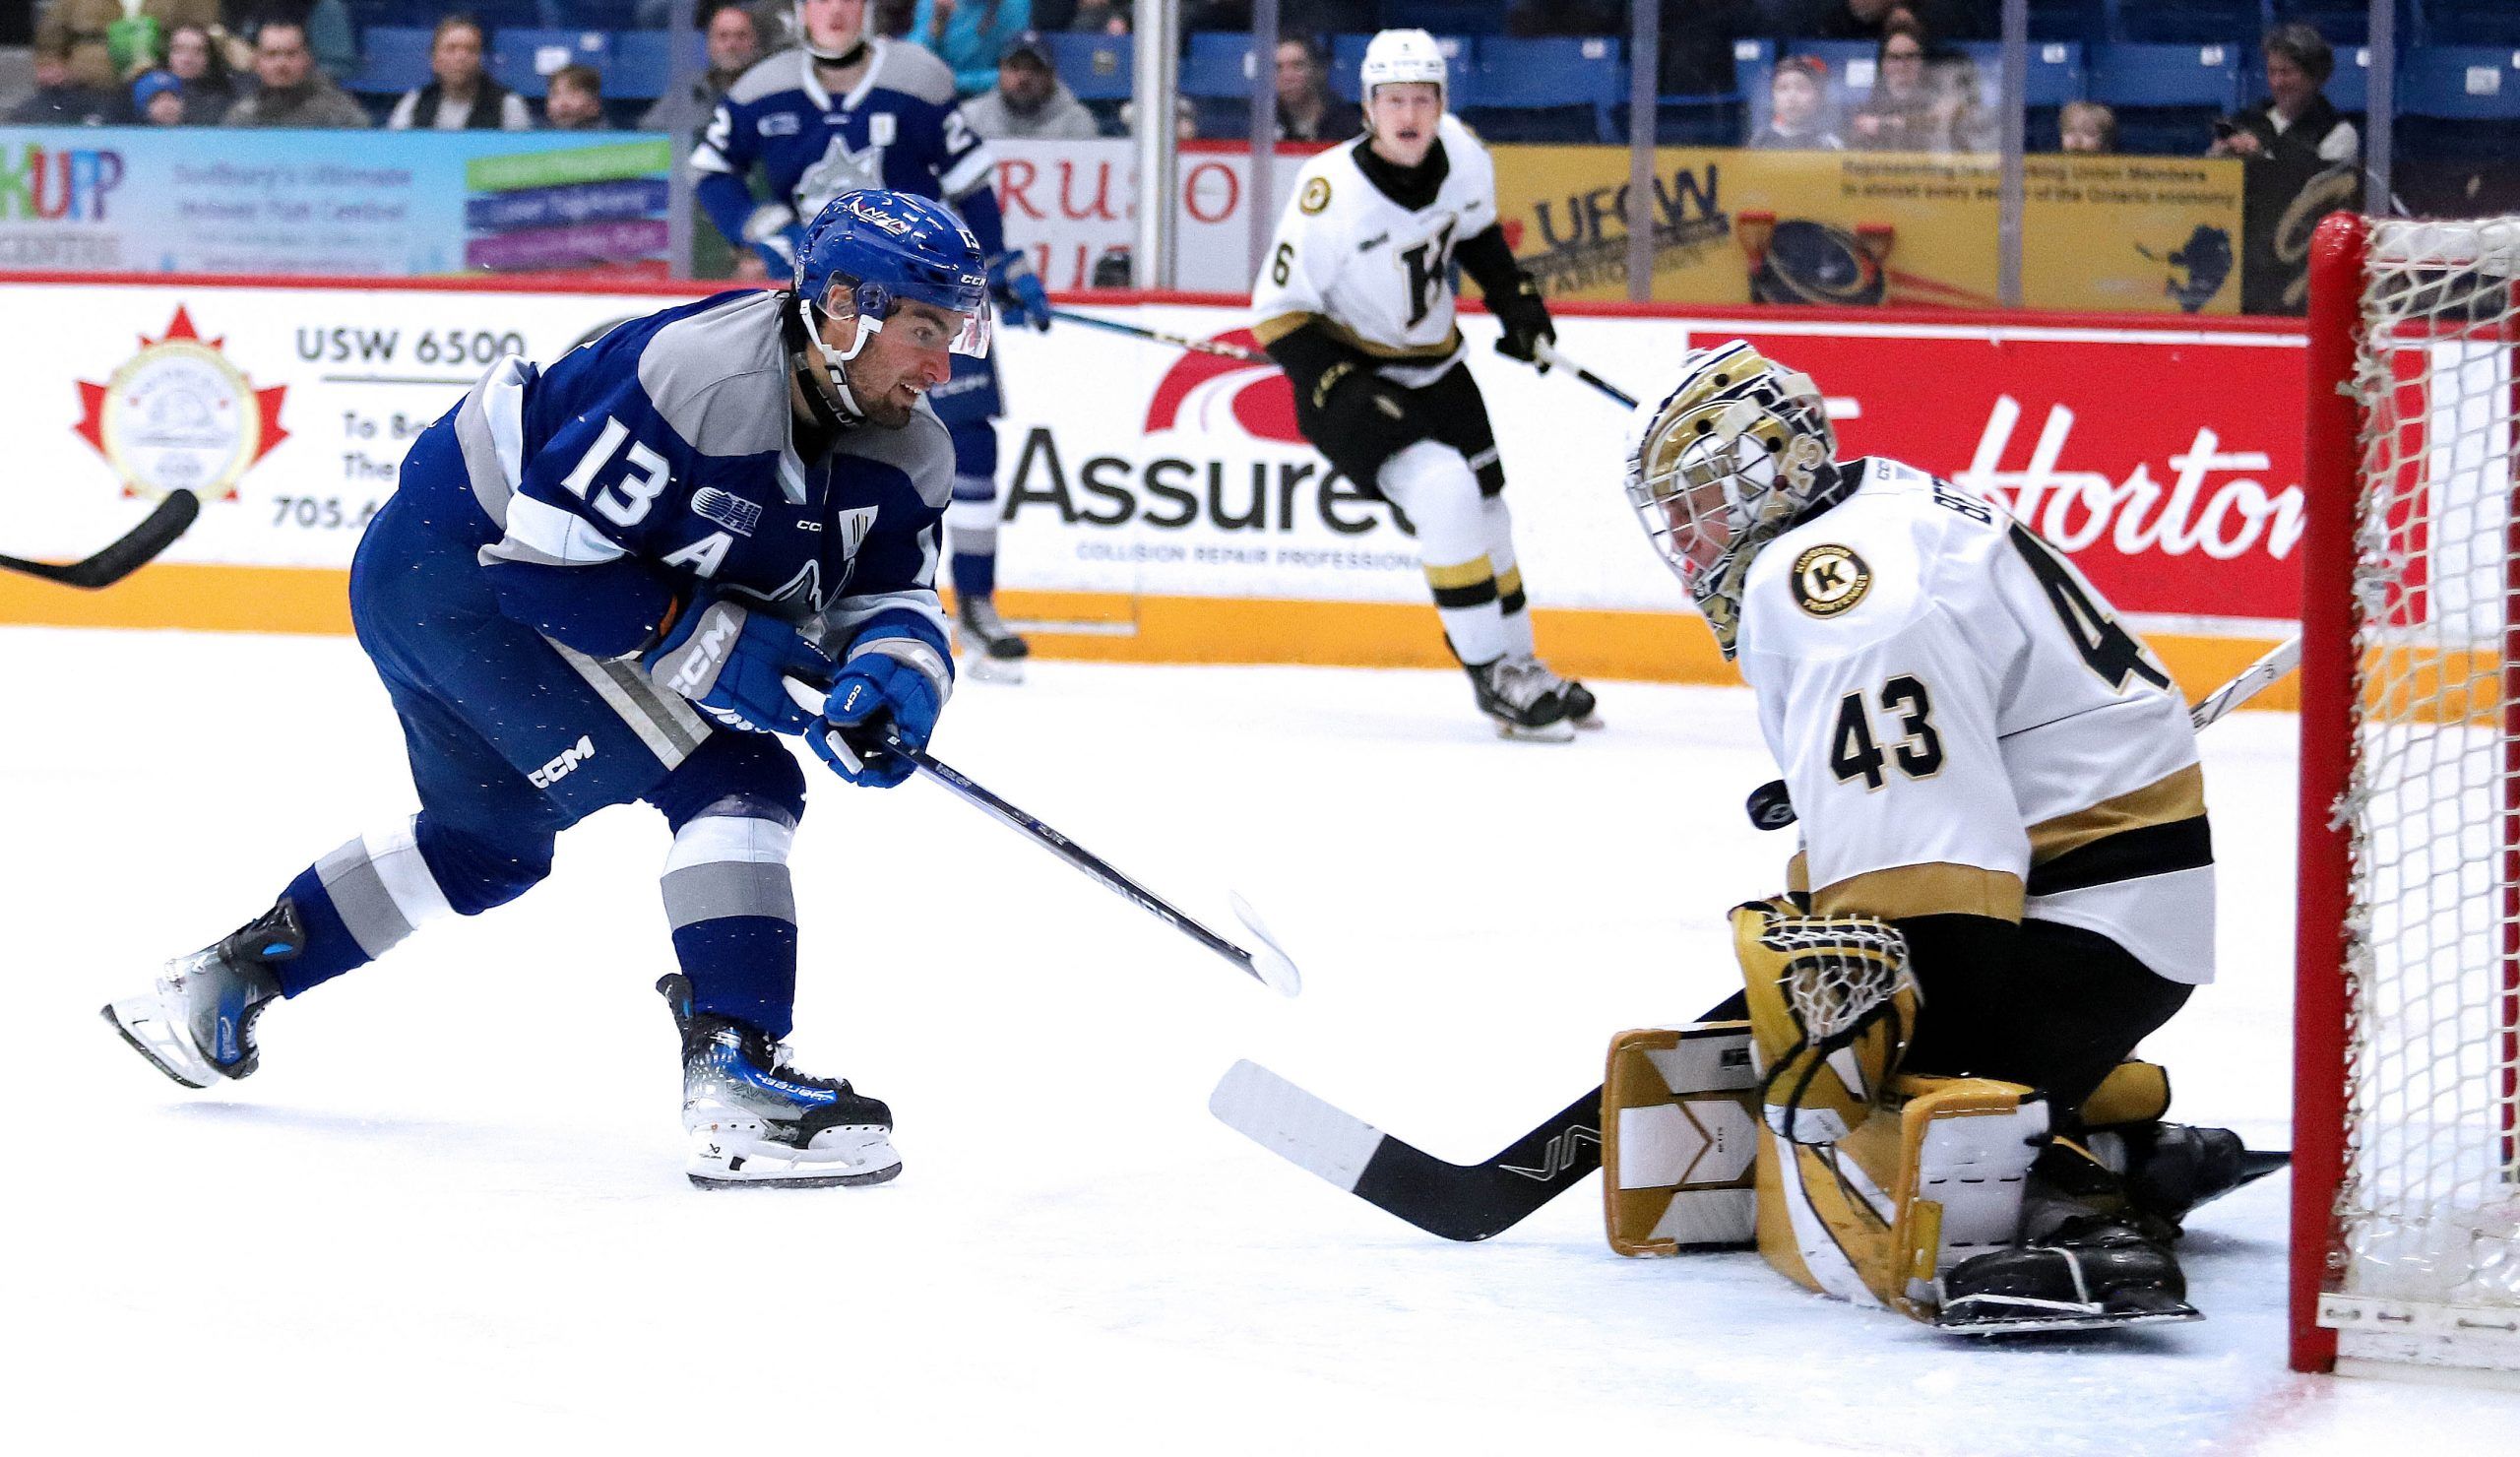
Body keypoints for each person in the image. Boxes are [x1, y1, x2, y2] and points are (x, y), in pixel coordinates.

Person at [103, 189, 990, 1191]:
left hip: (454, 584)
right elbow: (542, 570)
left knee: (489, 849)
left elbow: (892, 596)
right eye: (924, 329)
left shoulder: (909, 446)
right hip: (462, 575)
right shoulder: (697, 377)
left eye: (954, 332)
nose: (941, 365)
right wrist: (706, 643)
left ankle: (213, 986)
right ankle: (736, 1080)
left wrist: (898, 673)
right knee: (736, 780)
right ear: (842, 306)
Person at [1618, 341, 2239, 1331]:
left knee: (1853, 1101)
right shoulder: (1885, 503)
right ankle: (2091, 1112)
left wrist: (1919, 1070)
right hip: (2121, 919)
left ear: (1768, 467)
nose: (1689, 545)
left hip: (2073, 933)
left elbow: (1940, 892)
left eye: (1697, 503)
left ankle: (2064, 1188)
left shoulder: (1828, 585)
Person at [695, 0, 1053, 682]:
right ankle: (812, 601)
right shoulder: (761, 88)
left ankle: (976, 605)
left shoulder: (918, 77)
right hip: (826, 307)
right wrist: (762, 226)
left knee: (970, 440)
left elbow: (970, 184)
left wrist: (1003, 262)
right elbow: (711, 169)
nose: (834, 8)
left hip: (925, 301)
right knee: (810, 446)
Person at [1251, 29, 1596, 741]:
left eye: (1422, 100)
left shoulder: (1464, 154)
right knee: (1444, 491)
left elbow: (1475, 236)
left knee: (1491, 519)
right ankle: (1492, 679)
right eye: (1393, 100)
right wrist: (1334, 378)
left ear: (1442, 104)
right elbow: (1277, 313)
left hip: (1439, 366)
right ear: (1368, 107)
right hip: (1349, 376)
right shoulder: (1328, 191)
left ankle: (1523, 665)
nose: (1408, 115)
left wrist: (1517, 302)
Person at [2210, 23, 2361, 316]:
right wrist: (2221, 156)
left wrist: (2262, 158)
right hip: (2241, 255)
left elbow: (2316, 195)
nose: (2278, 82)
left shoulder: (2338, 133)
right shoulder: (2247, 119)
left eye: (2288, 72)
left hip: (2297, 266)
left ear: (2315, 76)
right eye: (2272, 72)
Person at [640, 1, 767, 138]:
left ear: (755, 42)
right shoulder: (688, 91)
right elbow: (647, 134)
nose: (731, 45)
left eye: (741, 36)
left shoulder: (769, 93)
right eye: (723, 36)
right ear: (709, 44)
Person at [386, 14, 532, 132]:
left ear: (480, 59)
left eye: (471, 50)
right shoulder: (416, 101)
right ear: (434, 60)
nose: (461, 57)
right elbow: (395, 151)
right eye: (451, 49)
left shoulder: (507, 105)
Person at [38, 0, 218, 93]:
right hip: (87, 88)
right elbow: (50, 38)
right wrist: (50, 64)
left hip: (164, 92)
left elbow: (205, 29)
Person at [220, 19, 368, 128]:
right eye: (272, 54)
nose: (281, 64)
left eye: (291, 54)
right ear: (257, 62)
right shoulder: (242, 115)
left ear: (307, 59)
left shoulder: (339, 113)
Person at [956, 31, 1100, 141]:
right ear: (1001, 70)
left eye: (1035, 69)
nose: (1023, 78)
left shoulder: (1076, 121)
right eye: (1014, 67)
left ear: (1051, 75)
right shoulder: (971, 118)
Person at [910, 0, 1032, 97]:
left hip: (986, 102)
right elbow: (914, 61)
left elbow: (1016, 74)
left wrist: (956, 83)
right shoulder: (932, 4)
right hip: (928, 95)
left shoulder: (1017, 6)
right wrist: (938, 26)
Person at [1848, 19, 1933, 152]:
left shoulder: (1935, 99)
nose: (1902, 65)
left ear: (1921, 62)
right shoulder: (1865, 105)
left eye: (1910, 56)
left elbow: (1941, 123)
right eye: (1894, 57)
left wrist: (1882, 125)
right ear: (1883, 64)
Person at [7, 41, 118, 125]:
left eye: (51, 66)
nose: (47, 73)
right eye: (42, 67)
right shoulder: (30, 109)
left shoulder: (112, 103)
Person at [1748, 54, 1842, 151]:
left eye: (1802, 88)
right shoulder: (1759, 142)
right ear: (1773, 97)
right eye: (1783, 88)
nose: (1791, 97)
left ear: (1818, 97)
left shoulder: (1829, 145)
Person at [162, 22, 238, 124]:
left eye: (198, 51)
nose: (187, 59)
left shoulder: (226, 97)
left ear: (209, 58)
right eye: (179, 50)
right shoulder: (150, 93)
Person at [1274, 35, 1335, 144]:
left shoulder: (1346, 125)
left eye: (1297, 66)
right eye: (1278, 68)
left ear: (1316, 71)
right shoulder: (1260, 124)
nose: (1287, 77)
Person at [543, 63, 608, 130]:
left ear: (594, 105)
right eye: (555, 95)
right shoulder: (540, 133)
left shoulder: (606, 136)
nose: (563, 103)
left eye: (573, 95)